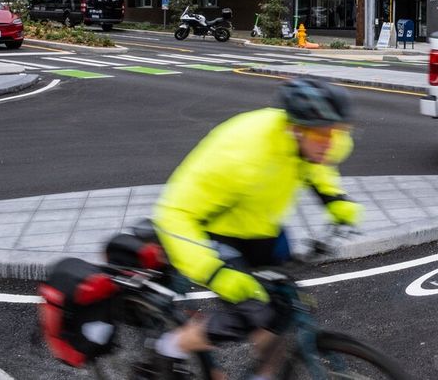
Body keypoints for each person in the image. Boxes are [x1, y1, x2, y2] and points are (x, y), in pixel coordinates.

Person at [151, 78, 361, 379]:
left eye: (338, 131)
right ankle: (171, 346)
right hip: (210, 230)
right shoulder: (243, 153)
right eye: (321, 133)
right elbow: (173, 212)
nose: (331, 141)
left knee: (284, 305)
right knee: (253, 309)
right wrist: (215, 272)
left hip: (261, 227)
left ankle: (264, 375)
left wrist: (335, 200)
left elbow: (314, 163)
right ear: (294, 128)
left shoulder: (316, 138)